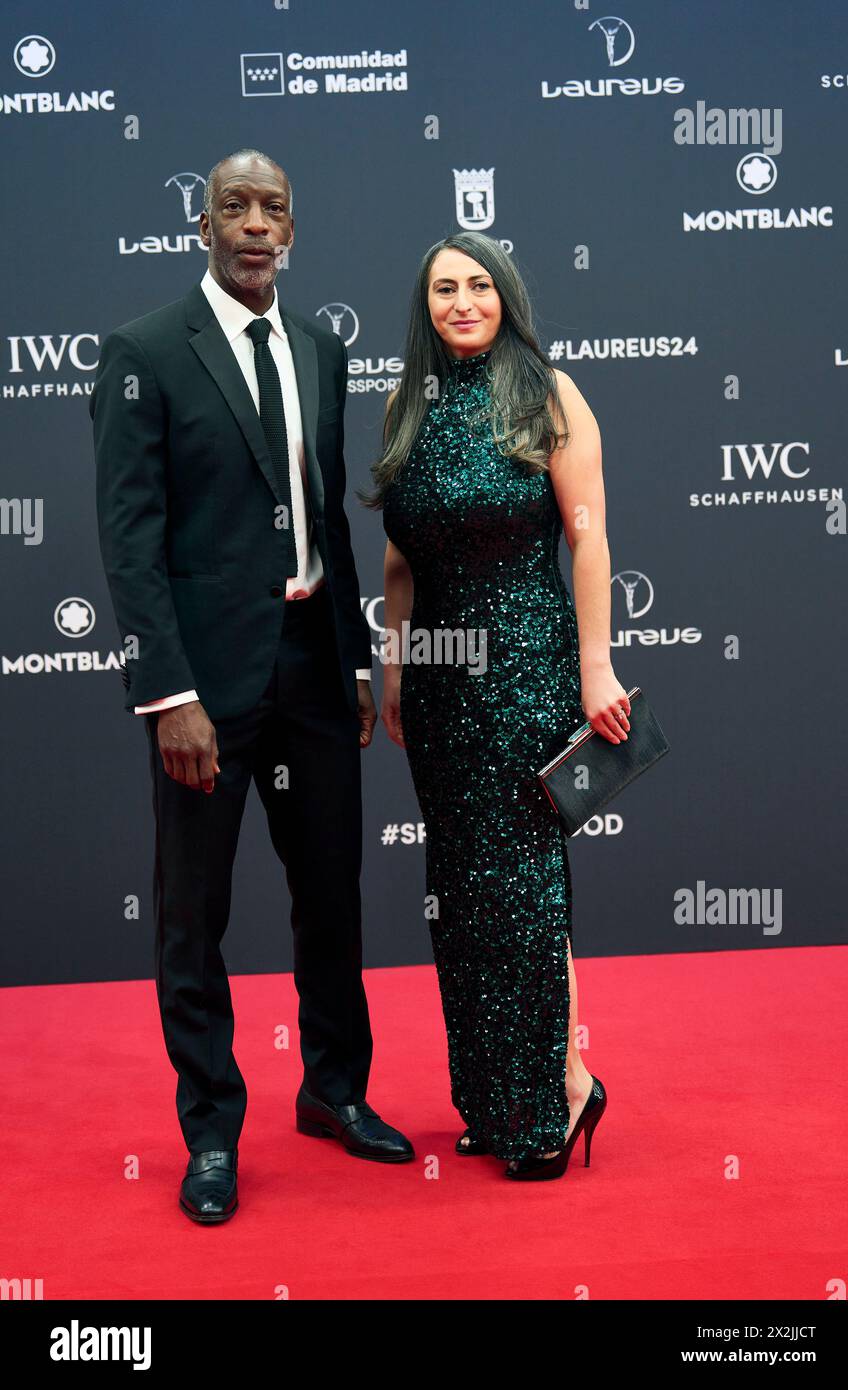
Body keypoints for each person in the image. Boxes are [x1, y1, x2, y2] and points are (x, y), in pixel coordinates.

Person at [91, 148, 414, 1224]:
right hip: (205, 684)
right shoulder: (144, 352)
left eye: (273, 207)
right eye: (234, 205)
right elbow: (130, 540)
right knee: (195, 912)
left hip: (313, 665)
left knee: (330, 894)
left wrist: (356, 659)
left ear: (292, 227)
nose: (255, 223)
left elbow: (324, 517)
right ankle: (212, 1131)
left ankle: (333, 1090)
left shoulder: (319, 347)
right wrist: (167, 692)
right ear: (202, 223)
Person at [366, 231, 628, 1179]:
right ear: (425, 304)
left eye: (480, 284)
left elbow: (588, 540)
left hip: (527, 669)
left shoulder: (549, 394)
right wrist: (394, 668)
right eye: (445, 288)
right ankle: (489, 1099)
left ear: (506, 295)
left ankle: (558, 1091)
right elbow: (400, 558)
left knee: (523, 891)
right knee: (463, 899)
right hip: (438, 680)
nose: (463, 301)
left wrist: (595, 669)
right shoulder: (408, 406)